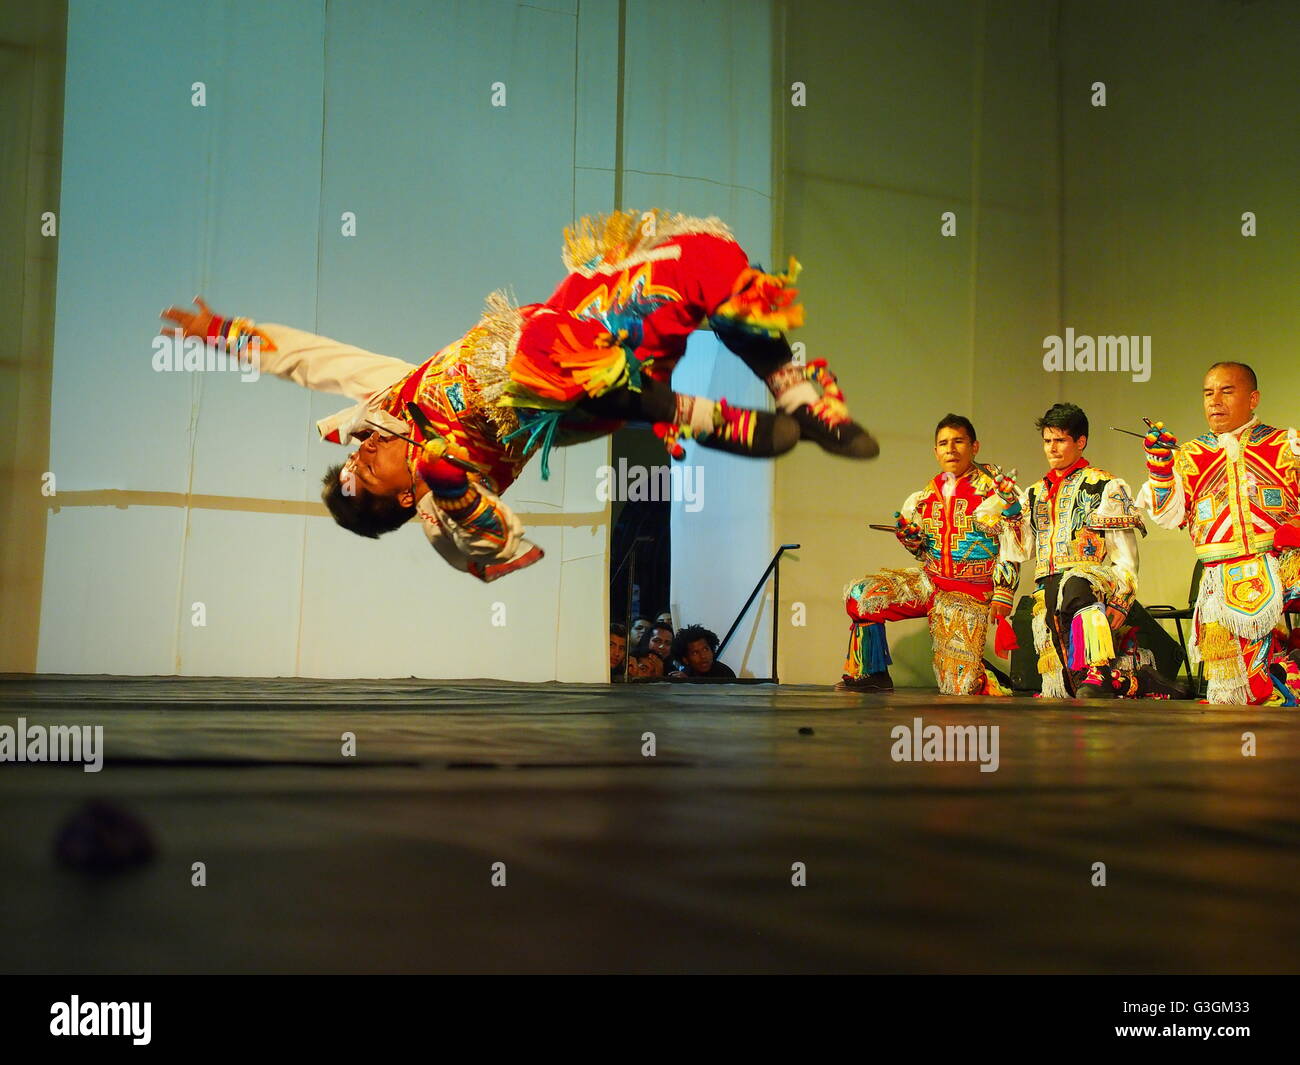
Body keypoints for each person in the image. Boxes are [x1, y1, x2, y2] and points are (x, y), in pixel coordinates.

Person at [160, 209, 878, 583]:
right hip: (579, 386)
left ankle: (800, 398)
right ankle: (688, 412)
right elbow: (481, 546)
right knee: (540, 352)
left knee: (696, 260)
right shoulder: (441, 496)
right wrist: (452, 489)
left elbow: (314, 361)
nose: (366, 449)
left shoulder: (392, 396)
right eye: (368, 469)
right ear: (403, 497)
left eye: (357, 454)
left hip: (578, 320)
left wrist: (223, 333)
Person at [1136, 362, 1300, 704]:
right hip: (1219, 578)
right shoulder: (1190, 456)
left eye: (1227, 391)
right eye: (1208, 393)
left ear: (1253, 399)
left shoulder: (1286, 445)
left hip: (1283, 568)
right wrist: (1160, 467)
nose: (1215, 401)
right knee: (1233, 689)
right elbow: (1167, 515)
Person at [837, 414, 1022, 695]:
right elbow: (923, 551)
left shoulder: (994, 490)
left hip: (968, 592)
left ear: (975, 447)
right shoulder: (927, 492)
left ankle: (985, 674)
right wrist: (911, 540)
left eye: (959, 441)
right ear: (936, 451)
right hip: (930, 581)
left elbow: (1014, 539)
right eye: (944, 443)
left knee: (958, 688)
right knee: (862, 596)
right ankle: (872, 674)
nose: (951, 449)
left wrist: (1004, 592)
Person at [1017, 403, 1179, 698]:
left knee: (1075, 583)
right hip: (1048, 588)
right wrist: (1006, 514)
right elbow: (1022, 548)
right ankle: (1137, 681)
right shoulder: (1034, 493)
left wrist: (1122, 600)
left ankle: (1100, 670)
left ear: (1080, 441)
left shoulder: (1104, 486)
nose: (1052, 448)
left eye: (1060, 440)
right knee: (1069, 685)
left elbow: (1125, 554)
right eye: (1047, 440)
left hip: (1091, 583)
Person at [668, 625, 737, 680]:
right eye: (695, 653)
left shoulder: (725, 674)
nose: (703, 656)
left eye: (705, 649)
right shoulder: (684, 675)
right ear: (685, 660)